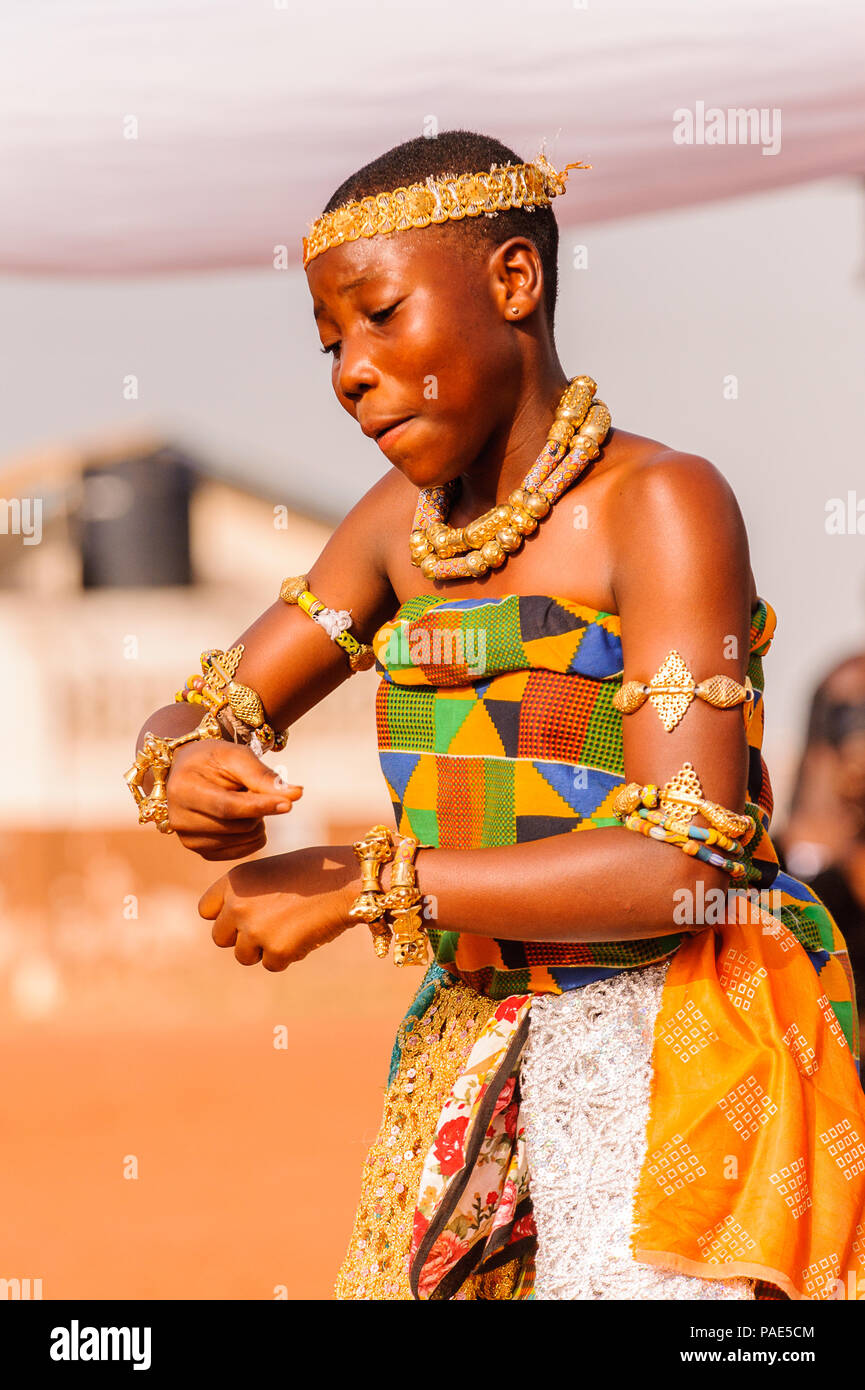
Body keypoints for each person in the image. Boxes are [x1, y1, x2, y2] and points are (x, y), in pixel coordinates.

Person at [128, 130, 865, 1302]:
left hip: (668, 1045)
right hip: (475, 1049)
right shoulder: (396, 527)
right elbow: (204, 706)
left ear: (514, 281)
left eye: (380, 316)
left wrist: (367, 881)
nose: (350, 371)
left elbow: (685, 861)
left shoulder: (660, 505)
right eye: (331, 342)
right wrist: (183, 765)